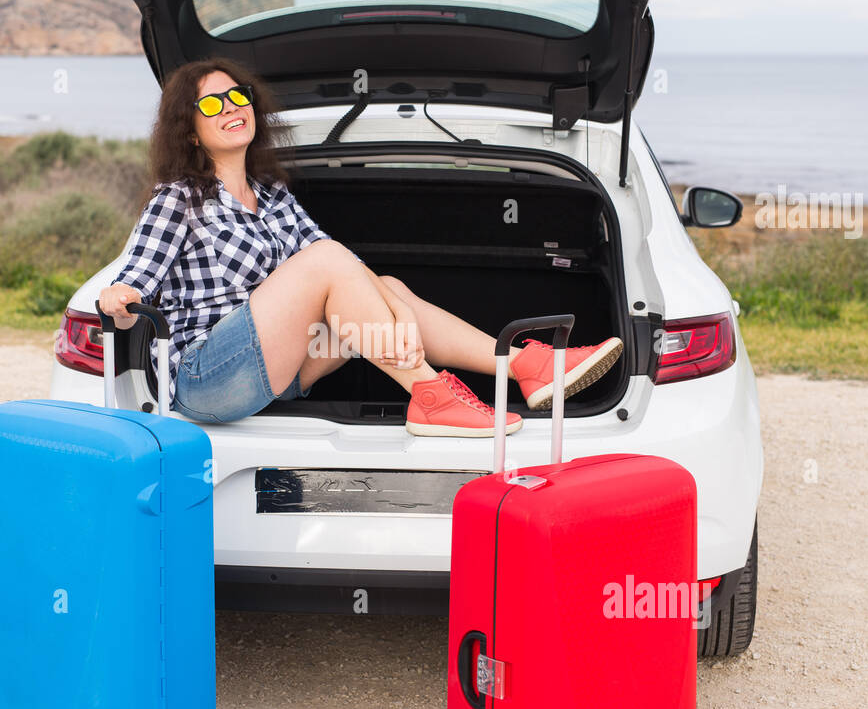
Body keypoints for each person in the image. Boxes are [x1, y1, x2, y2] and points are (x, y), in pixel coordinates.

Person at [99, 57, 623, 437]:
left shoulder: (273, 197)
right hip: (206, 379)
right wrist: (118, 303)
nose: (231, 107)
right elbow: (134, 281)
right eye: (211, 103)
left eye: (239, 96)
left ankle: (522, 367)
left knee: (382, 282)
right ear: (188, 131)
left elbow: (343, 267)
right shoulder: (178, 200)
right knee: (326, 263)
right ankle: (429, 394)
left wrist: (394, 309)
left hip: (282, 373)